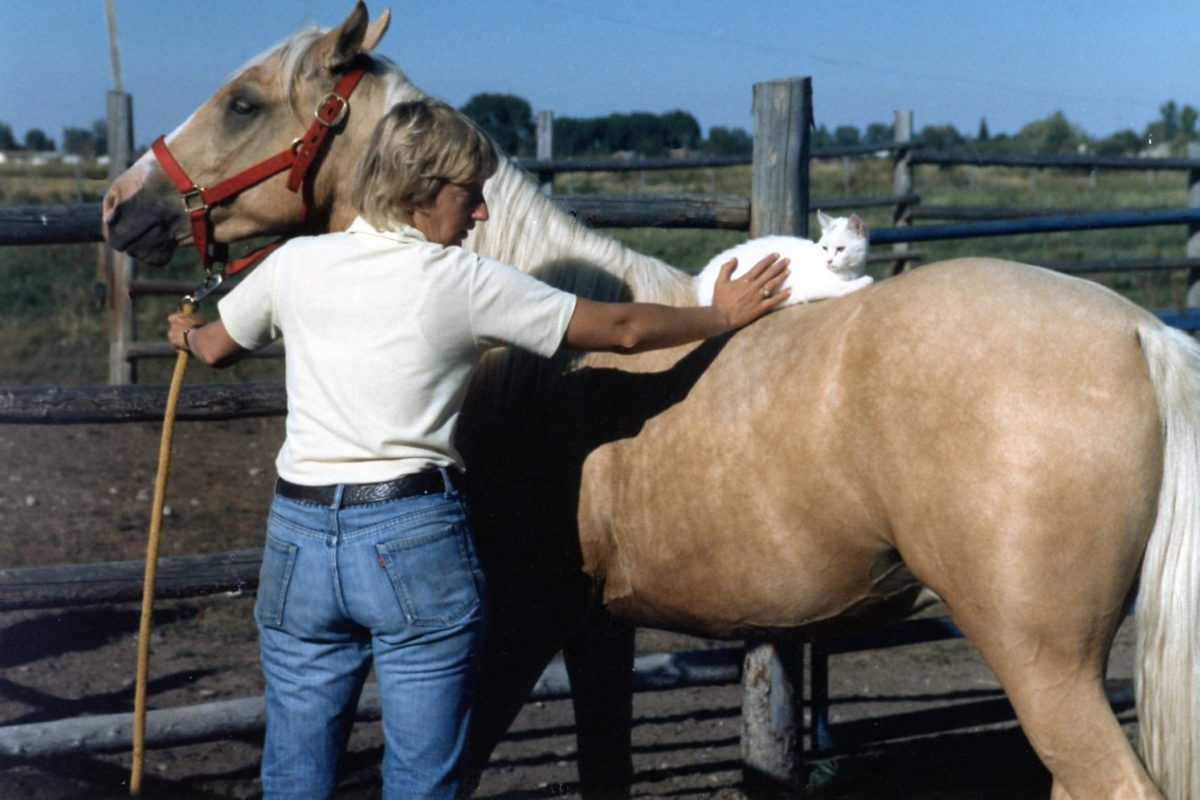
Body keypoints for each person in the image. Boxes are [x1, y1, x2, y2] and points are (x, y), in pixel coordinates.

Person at [166, 98, 789, 800]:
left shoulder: (295, 264)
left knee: (294, 771)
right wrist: (720, 316)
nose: (482, 214)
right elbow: (619, 330)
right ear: (420, 191)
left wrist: (185, 333)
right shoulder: (459, 283)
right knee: (424, 776)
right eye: (470, 195)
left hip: (298, 542)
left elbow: (216, 346)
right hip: (408, 537)